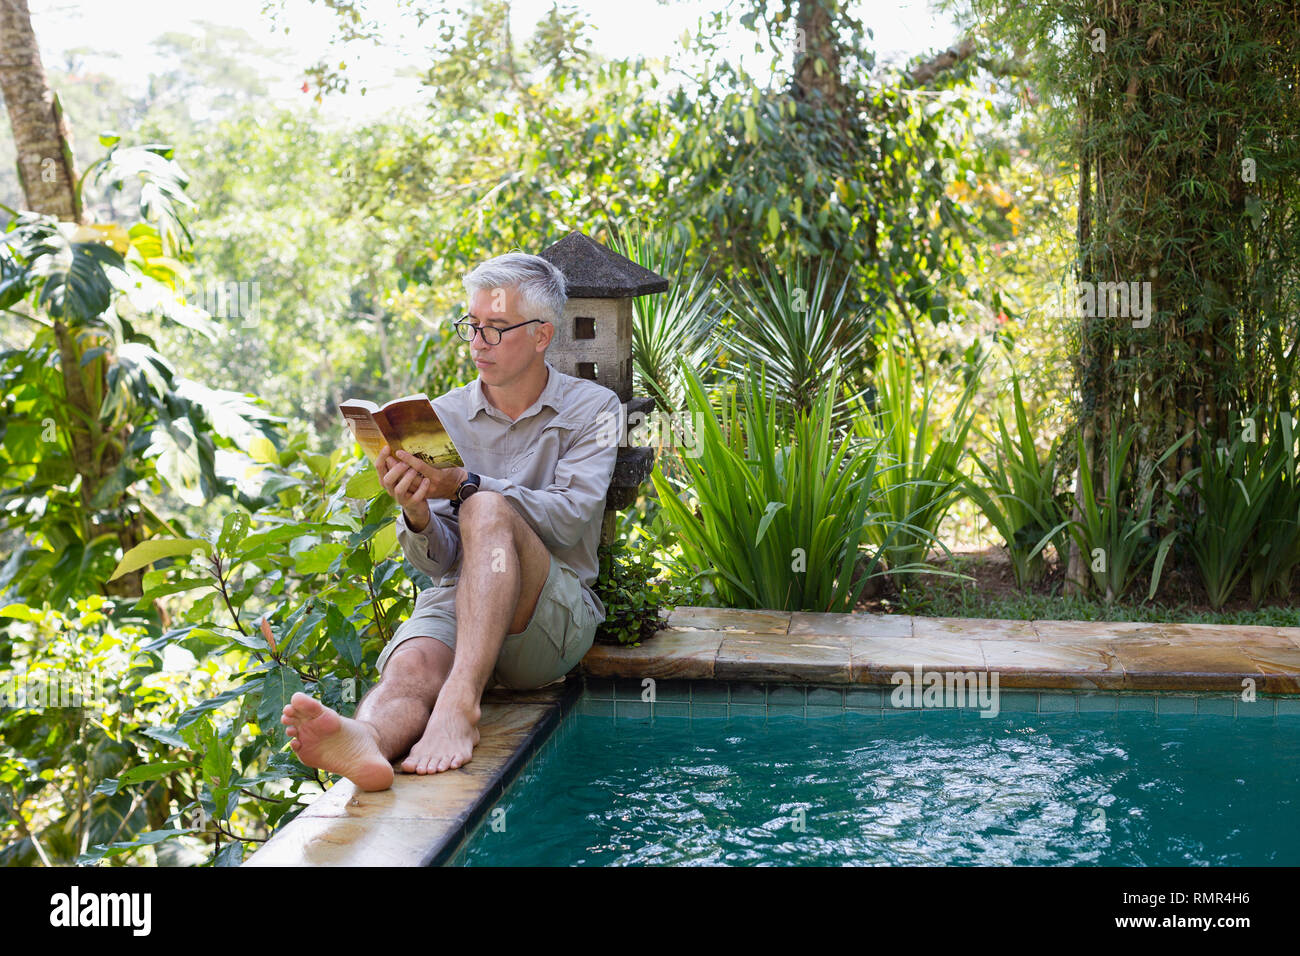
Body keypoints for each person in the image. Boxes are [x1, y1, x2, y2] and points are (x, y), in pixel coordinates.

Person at [281, 253, 622, 790]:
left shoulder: (594, 409)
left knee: (485, 505)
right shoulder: (442, 416)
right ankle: (365, 739)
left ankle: (460, 704)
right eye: (471, 326)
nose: (477, 342)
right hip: (460, 600)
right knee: (411, 670)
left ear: (540, 336)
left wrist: (466, 486)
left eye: (494, 328)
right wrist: (416, 511)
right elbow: (439, 563)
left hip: (547, 617)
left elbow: (571, 520)